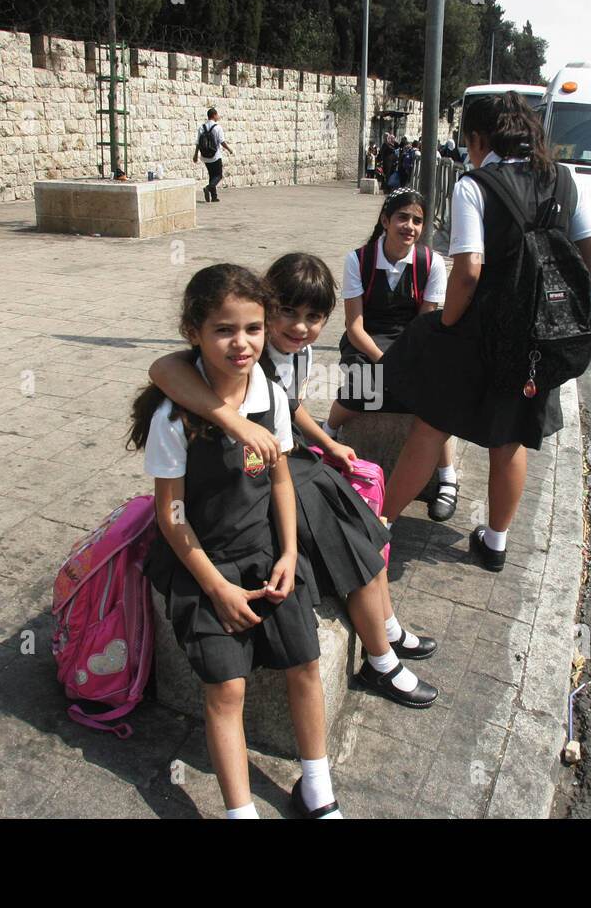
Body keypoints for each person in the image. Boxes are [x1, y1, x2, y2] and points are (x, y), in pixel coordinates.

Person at [148, 254, 439, 708]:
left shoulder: (289, 351)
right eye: (288, 312)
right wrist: (234, 422)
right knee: (350, 535)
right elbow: (163, 369)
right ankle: (381, 660)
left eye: (313, 317)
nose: (299, 327)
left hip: (287, 460)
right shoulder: (249, 353)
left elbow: (291, 406)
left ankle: (388, 630)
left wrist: (329, 441)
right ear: (268, 307)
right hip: (261, 477)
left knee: (365, 525)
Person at [128, 263, 341, 819]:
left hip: (267, 555)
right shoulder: (175, 415)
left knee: (306, 663)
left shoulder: (270, 393)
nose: (241, 342)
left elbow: (280, 481)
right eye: (224, 329)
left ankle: (316, 786)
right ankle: (239, 810)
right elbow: (171, 515)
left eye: (252, 327)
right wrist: (215, 586)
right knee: (226, 688)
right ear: (194, 331)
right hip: (202, 562)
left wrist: (291, 553)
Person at [376, 92, 591, 571]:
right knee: (510, 440)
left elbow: (468, 272)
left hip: (477, 332)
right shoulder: (566, 180)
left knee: (431, 424)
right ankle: (496, 543)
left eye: (469, 143)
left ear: (478, 139)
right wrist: (555, 309)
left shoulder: (474, 186)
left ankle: (381, 526)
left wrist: (447, 322)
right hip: (534, 342)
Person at [323, 188, 461, 522]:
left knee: (432, 395)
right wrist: (386, 363)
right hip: (366, 341)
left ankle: (446, 477)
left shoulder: (432, 264)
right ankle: (327, 435)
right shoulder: (359, 260)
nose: (409, 226)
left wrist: (405, 361)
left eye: (417, 220)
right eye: (402, 217)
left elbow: (425, 324)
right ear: (385, 220)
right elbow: (355, 326)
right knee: (362, 386)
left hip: (412, 342)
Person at [194, 107, 234, 203]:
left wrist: (195, 155)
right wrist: (229, 149)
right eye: (217, 115)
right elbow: (222, 142)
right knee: (219, 175)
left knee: (212, 175)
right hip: (215, 155)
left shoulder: (202, 127)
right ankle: (208, 188)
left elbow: (198, 143)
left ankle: (214, 197)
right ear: (214, 115)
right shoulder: (217, 127)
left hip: (205, 156)